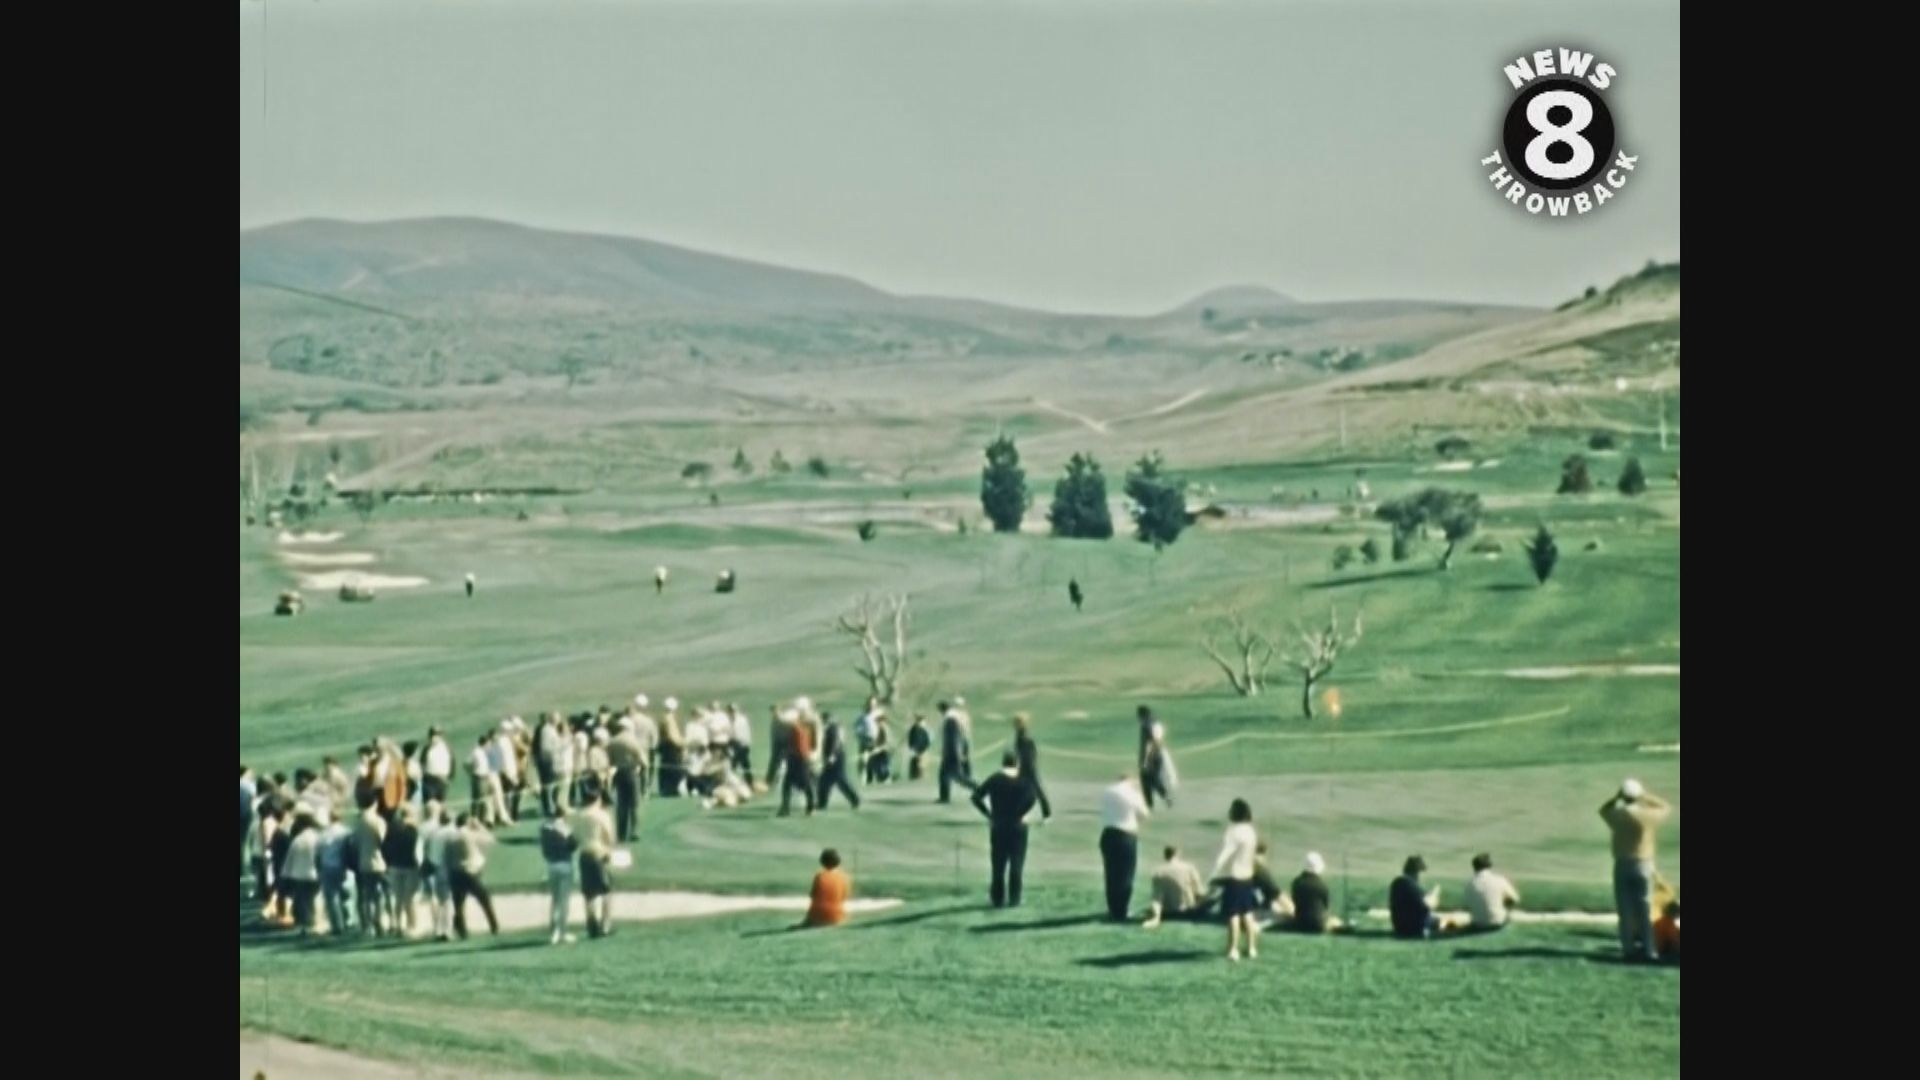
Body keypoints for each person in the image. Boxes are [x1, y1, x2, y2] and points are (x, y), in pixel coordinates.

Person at [1600, 779, 1672, 963]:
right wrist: (1645, 797)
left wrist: (1616, 798)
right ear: (1637, 797)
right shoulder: (1648, 816)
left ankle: (1628, 949)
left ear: (1623, 797)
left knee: (1625, 910)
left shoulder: (1617, 815)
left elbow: (1603, 810)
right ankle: (1650, 950)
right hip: (1643, 864)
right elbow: (1666, 807)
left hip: (1622, 864)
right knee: (1645, 908)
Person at [971, 752, 1039, 908]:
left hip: (999, 825)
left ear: (1003, 763)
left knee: (998, 864)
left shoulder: (996, 779)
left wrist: (989, 815)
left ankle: (997, 898)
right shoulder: (1024, 780)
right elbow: (1033, 798)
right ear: (1017, 764)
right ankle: (1015, 898)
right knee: (1017, 863)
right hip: (1018, 826)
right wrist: (1021, 813)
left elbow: (976, 797)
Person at [1210, 799, 1261, 961]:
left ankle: (1233, 949)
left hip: (1235, 876)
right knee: (1247, 912)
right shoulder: (1251, 831)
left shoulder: (1233, 831)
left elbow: (1225, 854)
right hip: (1248, 875)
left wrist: (1214, 872)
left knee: (1233, 914)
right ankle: (1252, 947)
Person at [1098, 772, 1149, 921]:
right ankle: (1122, 910)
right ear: (1131, 781)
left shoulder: (1107, 792)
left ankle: (1113, 908)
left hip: (1107, 834)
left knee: (1111, 874)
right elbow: (1144, 814)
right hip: (1126, 835)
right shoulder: (1133, 794)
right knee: (1126, 874)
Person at [447, 814, 500, 939]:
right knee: (484, 899)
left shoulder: (451, 837)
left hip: (455, 872)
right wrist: (479, 826)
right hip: (470, 872)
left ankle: (462, 930)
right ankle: (494, 925)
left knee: (458, 903)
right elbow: (491, 840)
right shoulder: (470, 835)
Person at [577, 788, 618, 938]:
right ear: (597, 799)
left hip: (584, 855)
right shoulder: (601, 815)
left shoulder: (579, 816)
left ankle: (591, 923)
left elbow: (575, 837)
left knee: (589, 893)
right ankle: (605, 924)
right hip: (599, 854)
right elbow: (610, 837)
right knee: (606, 890)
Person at [1143, 846, 1212, 928]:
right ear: (1177, 854)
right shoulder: (1189, 868)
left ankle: (1156, 918)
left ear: (1165, 856)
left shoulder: (1158, 871)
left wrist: (1156, 916)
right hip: (1188, 910)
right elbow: (1199, 891)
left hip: (1168, 911)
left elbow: (1157, 897)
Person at [539, 807, 579, 946]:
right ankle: (561, 932)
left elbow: (544, 850)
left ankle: (553, 932)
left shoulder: (544, 829)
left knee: (555, 900)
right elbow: (574, 845)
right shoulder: (564, 828)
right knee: (564, 902)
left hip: (551, 866)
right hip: (565, 865)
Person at [383, 804, 423, 938]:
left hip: (394, 866)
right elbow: (418, 850)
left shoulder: (392, 829)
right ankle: (412, 925)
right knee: (409, 899)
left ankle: (397, 925)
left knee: (398, 899)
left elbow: (386, 848)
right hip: (410, 866)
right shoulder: (414, 830)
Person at [282, 810, 322, 936]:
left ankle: (305, 925)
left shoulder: (297, 840)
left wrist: (285, 874)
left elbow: (290, 859)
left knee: (303, 902)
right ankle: (317, 923)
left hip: (298, 875)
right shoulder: (318, 838)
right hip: (315, 874)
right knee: (316, 899)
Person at [420, 803, 456, 942]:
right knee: (448, 901)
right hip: (451, 868)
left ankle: (439, 929)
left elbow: (432, 856)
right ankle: (447, 930)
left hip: (438, 868)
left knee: (441, 900)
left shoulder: (436, 834)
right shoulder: (454, 833)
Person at [354, 799, 390, 936]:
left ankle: (368, 925)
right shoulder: (377, 821)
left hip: (363, 863)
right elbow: (382, 841)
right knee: (380, 896)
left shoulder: (358, 822)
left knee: (367, 896)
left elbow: (355, 842)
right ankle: (380, 923)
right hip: (379, 862)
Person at [1389, 856, 1446, 939]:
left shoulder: (1398, 883)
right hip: (1416, 928)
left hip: (1399, 927)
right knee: (1440, 921)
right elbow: (1430, 905)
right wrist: (1435, 893)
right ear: (1417, 872)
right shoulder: (1410, 884)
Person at [1463, 853, 1520, 933]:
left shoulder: (1469, 883)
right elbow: (1515, 899)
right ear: (1489, 865)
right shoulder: (1499, 880)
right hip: (1498, 923)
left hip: (1477, 924)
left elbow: (1467, 904)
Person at [816, 711, 862, 811]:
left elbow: (834, 744)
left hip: (836, 758)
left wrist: (831, 756)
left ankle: (855, 800)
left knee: (840, 781)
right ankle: (822, 803)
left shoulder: (833, 729)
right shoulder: (828, 729)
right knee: (824, 781)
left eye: (823, 719)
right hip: (831, 758)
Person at [1012, 714, 1053, 820]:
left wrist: (1025, 766)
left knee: (1037, 791)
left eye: (1016, 723)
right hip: (1023, 767)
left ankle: (1047, 814)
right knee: (1021, 791)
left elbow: (1029, 754)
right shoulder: (1019, 735)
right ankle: (1020, 813)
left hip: (1029, 768)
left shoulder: (1025, 737)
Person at [1284, 852, 1334, 934]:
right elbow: (1326, 906)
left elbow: (1294, 902)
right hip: (1318, 926)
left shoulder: (1297, 883)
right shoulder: (1322, 885)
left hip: (1299, 924)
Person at [779, 709, 817, 817]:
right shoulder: (806, 729)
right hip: (800, 759)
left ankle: (809, 807)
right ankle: (786, 808)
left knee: (803, 784)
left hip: (798, 759)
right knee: (789, 784)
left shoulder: (797, 729)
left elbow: (795, 745)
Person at [804, 848, 852, 928]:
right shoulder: (844, 877)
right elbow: (845, 896)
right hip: (838, 917)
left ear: (822, 861)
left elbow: (813, 895)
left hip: (817, 917)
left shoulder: (820, 876)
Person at [938, 700, 972, 803]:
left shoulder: (950, 720)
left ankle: (980, 789)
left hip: (951, 753)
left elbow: (952, 740)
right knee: (944, 775)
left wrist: (951, 753)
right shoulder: (955, 717)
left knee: (958, 776)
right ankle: (944, 797)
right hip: (953, 751)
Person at [1140, 719, 1176, 810]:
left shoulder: (1150, 730)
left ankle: (1151, 803)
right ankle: (1162, 798)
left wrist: (1146, 761)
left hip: (1154, 754)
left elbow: (1153, 743)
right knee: (1153, 779)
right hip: (1156, 753)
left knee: (1150, 778)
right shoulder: (1156, 728)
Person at [421, 727, 454, 806]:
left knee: (441, 803)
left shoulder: (447, 748)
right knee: (430, 804)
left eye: (436, 735)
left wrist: (449, 778)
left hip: (442, 780)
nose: (433, 738)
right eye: (432, 735)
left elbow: (452, 764)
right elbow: (422, 763)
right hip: (429, 780)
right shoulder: (426, 749)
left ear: (441, 736)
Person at [906, 714, 932, 781]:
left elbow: (927, 741)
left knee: (922, 768)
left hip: (923, 751)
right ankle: (916, 778)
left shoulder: (923, 730)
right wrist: (915, 750)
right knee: (917, 767)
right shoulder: (914, 730)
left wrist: (925, 750)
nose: (923, 723)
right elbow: (911, 741)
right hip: (916, 751)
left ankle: (921, 778)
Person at [730, 703, 753, 778]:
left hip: (740, 744)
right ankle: (749, 781)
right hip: (743, 744)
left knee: (734, 764)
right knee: (744, 764)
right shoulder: (742, 719)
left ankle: (749, 781)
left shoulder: (738, 720)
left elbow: (736, 734)